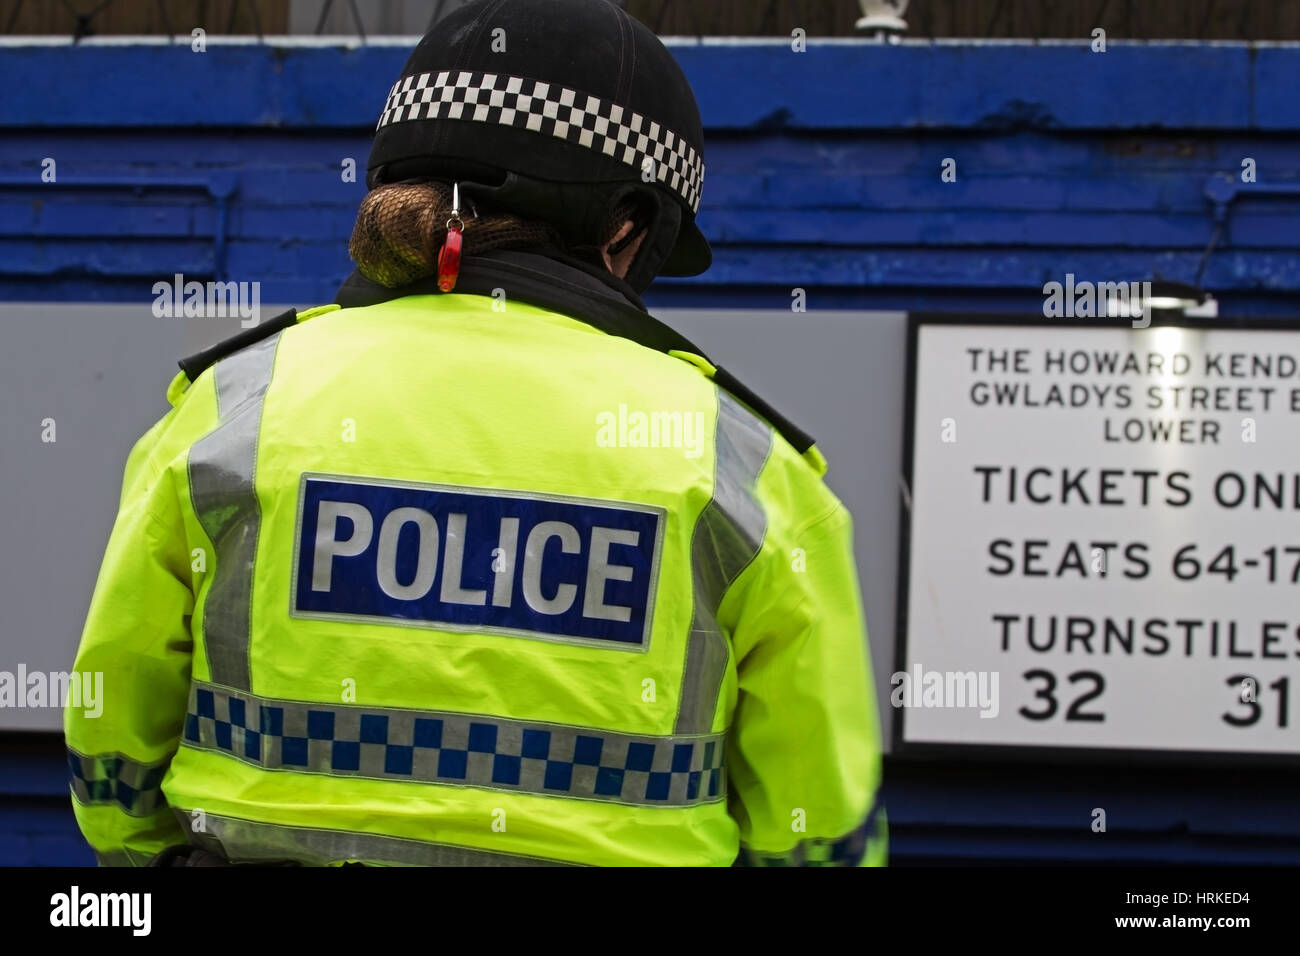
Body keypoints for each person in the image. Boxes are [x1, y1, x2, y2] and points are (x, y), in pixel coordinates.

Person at [65, 0, 885, 867]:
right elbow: (820, 832)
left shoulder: (234, 407)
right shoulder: (747, 471)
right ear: (626, 227)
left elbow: (109, 741)